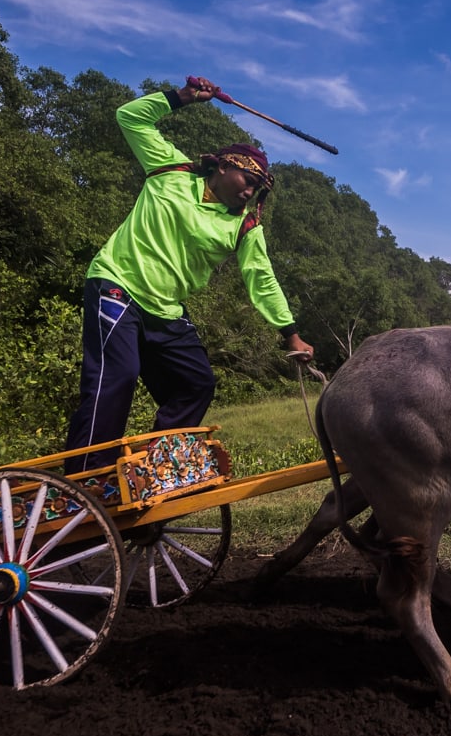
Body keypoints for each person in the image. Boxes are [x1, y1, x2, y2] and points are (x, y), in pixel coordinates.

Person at [64, 76, 314, 474]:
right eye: (248, 182)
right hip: (117, 285)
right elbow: (130, 118)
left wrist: (291, 333)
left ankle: (154, 469)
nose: (250, 193)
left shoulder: (244, 226)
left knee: (196, 383)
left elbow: (261, 279)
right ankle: (88, 478)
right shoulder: (169, 169)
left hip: (165, 309)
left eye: (258, 191)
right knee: (118, 376)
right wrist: (180, 99)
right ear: (225, 165)